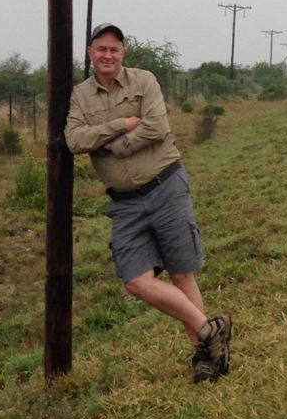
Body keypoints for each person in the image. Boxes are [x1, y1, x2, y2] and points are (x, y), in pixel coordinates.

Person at [64, 23, 231, 383]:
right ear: (90, 53)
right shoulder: (80, 96)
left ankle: (202, 358)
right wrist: (122, 123)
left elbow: (157, 127)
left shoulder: (144, 81)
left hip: (166, 185)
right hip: (125, 202)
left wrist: (112, 145)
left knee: (180, 271)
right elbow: (75, 139)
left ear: (123, 53)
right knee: (136, 280)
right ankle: (209, 329)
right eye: (100, 49)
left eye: (114, 49)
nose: (107, 55)